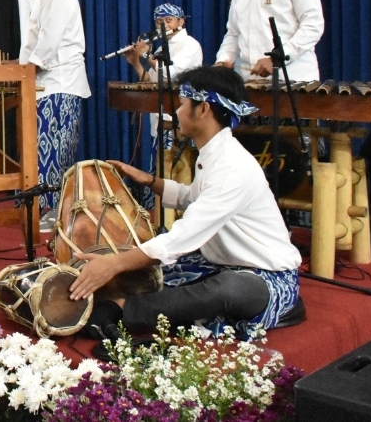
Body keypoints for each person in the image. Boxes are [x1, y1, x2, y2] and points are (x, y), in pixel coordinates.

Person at [68, 65, 301, 339]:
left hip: (264, 276)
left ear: (202, 109)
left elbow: (185, 235)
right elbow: (193, 198)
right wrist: (150, 181)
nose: (176, 112)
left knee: (225, 289)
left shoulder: (232, 167)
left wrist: (114, 264)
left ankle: (122, 310)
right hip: (222, 264)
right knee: (159, 271)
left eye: (182, 104)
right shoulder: (215, 154)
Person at [18, 0, 91, 232]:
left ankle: (54, 213)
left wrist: (28, 69)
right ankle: (44, 208)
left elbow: (49, 41)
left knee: (54, 152)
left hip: (59, 84)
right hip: (45, 86)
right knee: (42, 151)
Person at [122, 3, 204, 208]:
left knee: (178, 170)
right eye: (159, 22)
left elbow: (172, 74)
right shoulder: (161, 48)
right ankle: (160, 214)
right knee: (161, 168)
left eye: (168, 21)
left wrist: (147, 54)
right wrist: (136, 63)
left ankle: (178, 214)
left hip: (181, 120)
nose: (163, 25)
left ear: (181, 22)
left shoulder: (190, 45)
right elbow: (150, 81)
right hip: (160, 119)